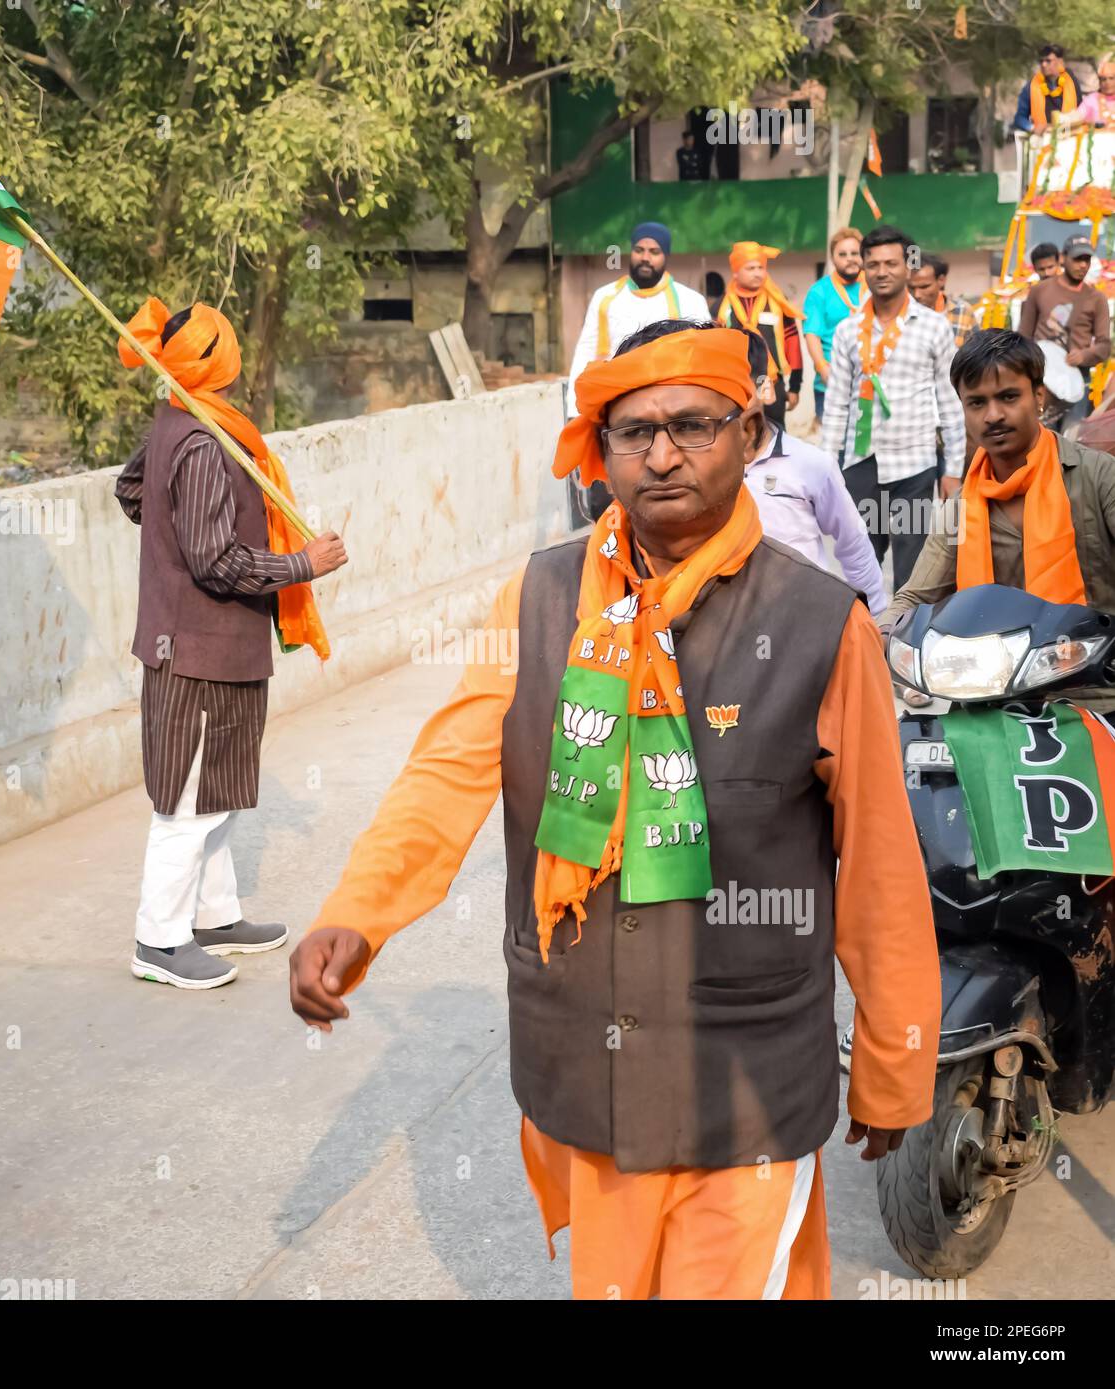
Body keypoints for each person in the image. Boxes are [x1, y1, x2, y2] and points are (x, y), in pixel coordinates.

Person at [289, 320, 940, 1300]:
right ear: (600, 452)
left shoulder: (819, 625)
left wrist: (894, 1058)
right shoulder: (540, 599)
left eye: (693, 424)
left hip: (743, 1083)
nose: (663, 454)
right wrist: (357, 910)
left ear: (749, 434)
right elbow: (449, 772)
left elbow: (881, 864)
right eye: (633, 431)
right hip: (584, 1072)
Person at [115, 299, 348, 989]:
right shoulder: (203, 443)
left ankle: (213, 915)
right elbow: (217, 561)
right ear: (217, 359)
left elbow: (131, 489)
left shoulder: (182, 420)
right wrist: (304, 564)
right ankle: (157, 939)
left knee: (216, 789)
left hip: (211, 642)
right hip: (197, 647)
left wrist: (165, 526)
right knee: (187, 799)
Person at [882, 329, 1115, 714]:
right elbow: (914, 598)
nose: (993, 416)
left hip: (1095, 698)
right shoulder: (961, 506)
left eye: (1008, 397)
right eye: (976, 403)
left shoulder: (1098, 476)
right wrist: (875, 636)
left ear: (1038, 397)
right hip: (991, 700)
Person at [822, 224, 965, 597]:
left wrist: (953, 469)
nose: (881, 271)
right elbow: (837, 402)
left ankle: (903, 650)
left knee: (913, 575)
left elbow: (950, 401)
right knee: (860, 572)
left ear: (907, 267)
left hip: (914, 468)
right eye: (873, 264)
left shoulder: (933, 327)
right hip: (860, 465)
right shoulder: (847, 331)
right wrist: (828, 468)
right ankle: (864, 649)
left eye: (890, 263)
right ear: (864, 269)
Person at [738, 327, 886, 614]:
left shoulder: (809, 464)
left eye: (737, 391)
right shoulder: (702, 468)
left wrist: (877, 618)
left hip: (803, 616)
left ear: (765, 389)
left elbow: (852, 541)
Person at [567, 221, 711, 417]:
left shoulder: (690, 301)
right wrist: (575, 410)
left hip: (670, 406)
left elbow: (702, 358)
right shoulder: (605, 297)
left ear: (665, 256)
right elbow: (586, 351)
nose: (645, 258)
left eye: (654, 252)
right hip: (612, 403)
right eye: (639, 250)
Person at [1019, 235, 1111, 430]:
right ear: (1063, 258)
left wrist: (1084, 355)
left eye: (1086, 260)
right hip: (1042, 378)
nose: (1082, 265)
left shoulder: (1097, 299)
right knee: (1040, 442)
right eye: (1077, 259)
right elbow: (1023, 336)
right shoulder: (1039, 291)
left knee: (1071, 443)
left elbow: (1104, 346)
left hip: (1077, 380)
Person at [717, 241, 804, 429]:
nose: (757, 272)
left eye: (761, 267)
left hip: (771, 381)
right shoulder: (720, 307)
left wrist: (795, 386)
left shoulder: (778, 302)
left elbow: (793, 341)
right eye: (750, 268)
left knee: (775, 432)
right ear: (736, 272)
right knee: (740, 433)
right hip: (735, 382)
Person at [802, 227, 866, 426]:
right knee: (835, 451)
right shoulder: (819, 291)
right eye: (842, 254)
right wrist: (823, 369)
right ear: (833, 258)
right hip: (831, 382)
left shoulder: (875, 286)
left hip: (870, 384)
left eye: (855, 253)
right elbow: (812, 334)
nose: (850, 259)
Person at [909, 252, 978, 350]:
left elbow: (977, 355)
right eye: (911, 288)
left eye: (924, 287)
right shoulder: (902, 315)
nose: (917, 295)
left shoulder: (963, 311)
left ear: (941, 280)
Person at [1012, 45, 1078, 133]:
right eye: (1041, 61)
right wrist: (1031, 128)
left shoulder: (1072, 83)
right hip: (1042, 139)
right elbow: (1019, 118)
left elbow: (1081, 112)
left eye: (1048, 61)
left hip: (1068, 138)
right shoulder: (1031, 86)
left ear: (1060, 61)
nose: (1043, 64)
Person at [1055, 54, 1115, 129]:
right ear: (1099, 83)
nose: (1107, 82)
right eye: (1103, 79)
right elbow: (1077, 116)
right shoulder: (1092, 99)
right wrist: (1063, 118)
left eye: (1111, 78)